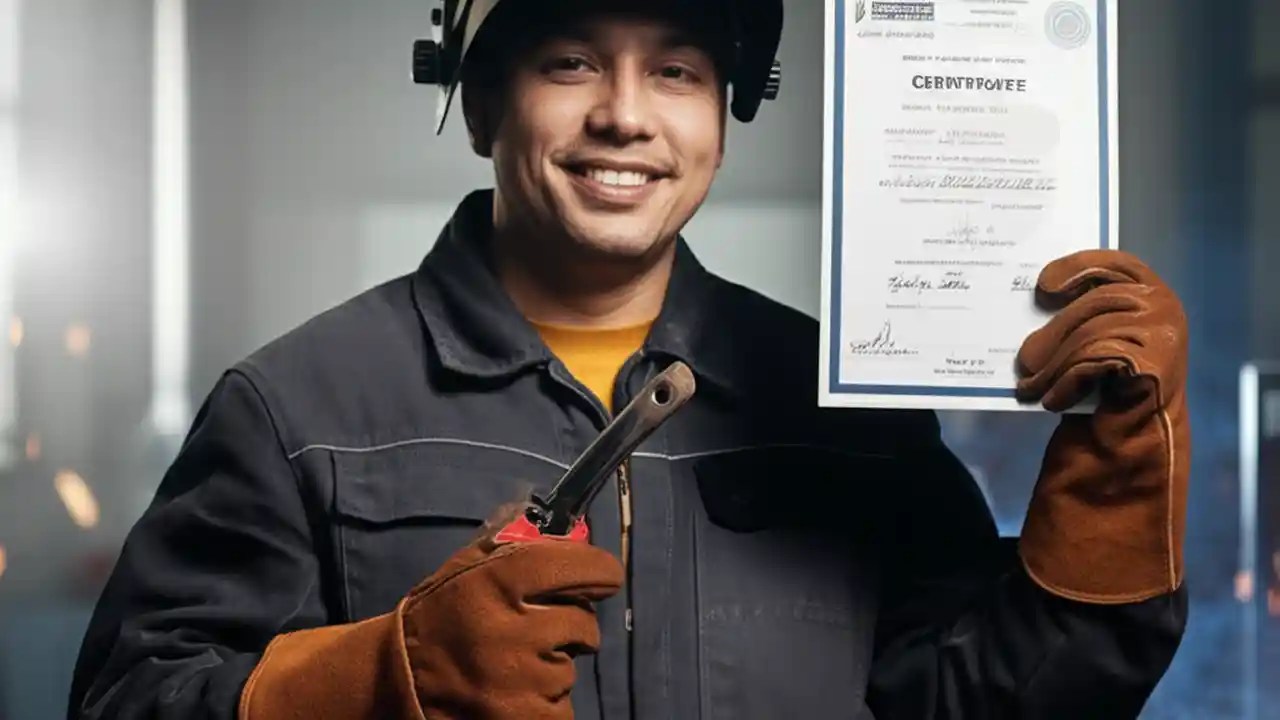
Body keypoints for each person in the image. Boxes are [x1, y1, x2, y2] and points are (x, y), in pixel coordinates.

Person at [67, 1, 1190, 718]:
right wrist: (374, 678)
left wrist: (1115, 482)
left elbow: (978, 701)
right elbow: (130, 699)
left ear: (723, 119)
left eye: (677, 72)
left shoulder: (846, 415)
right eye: (569, 62)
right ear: (479, 107)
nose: (625, 116)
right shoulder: (298, 410)